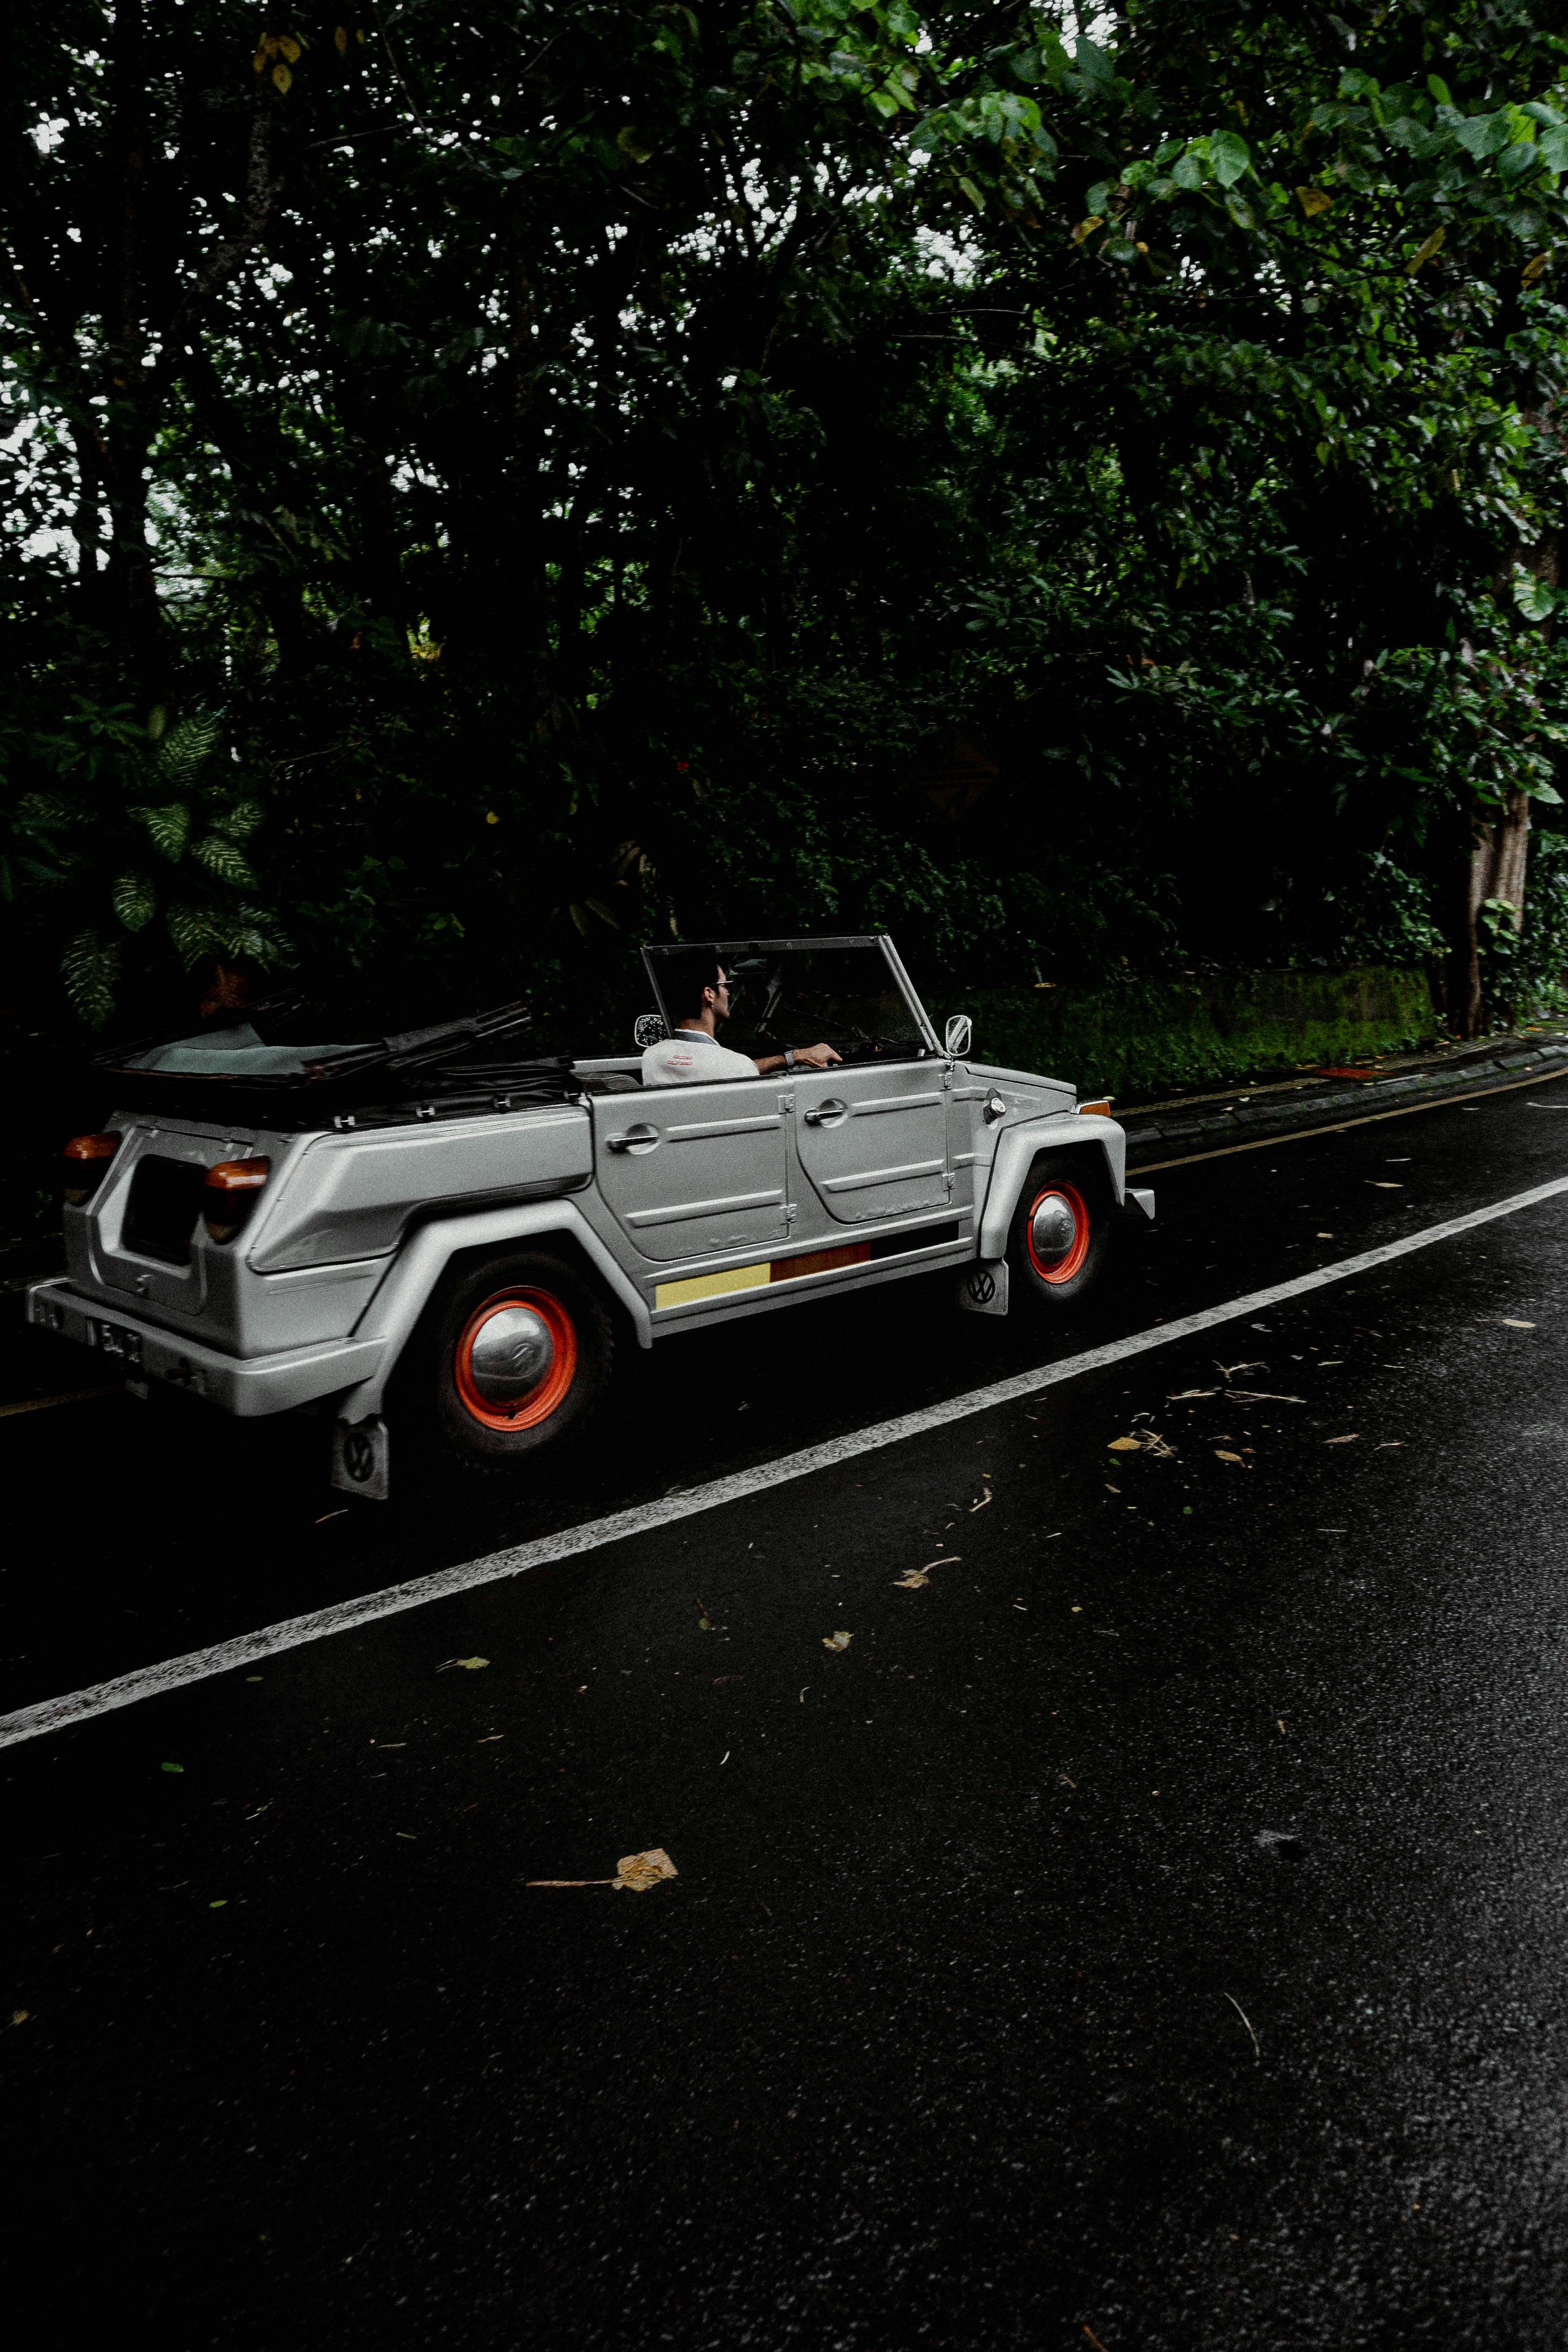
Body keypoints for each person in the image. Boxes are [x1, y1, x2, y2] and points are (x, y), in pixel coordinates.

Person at [641, 951, 842, 1086]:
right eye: (724, 985)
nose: (728, 993)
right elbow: (736, 1067)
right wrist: (794, 1057)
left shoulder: (652, 1057)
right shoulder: (732, 1065)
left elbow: (730, 1067)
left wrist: (792, 1057)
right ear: (709, 994)